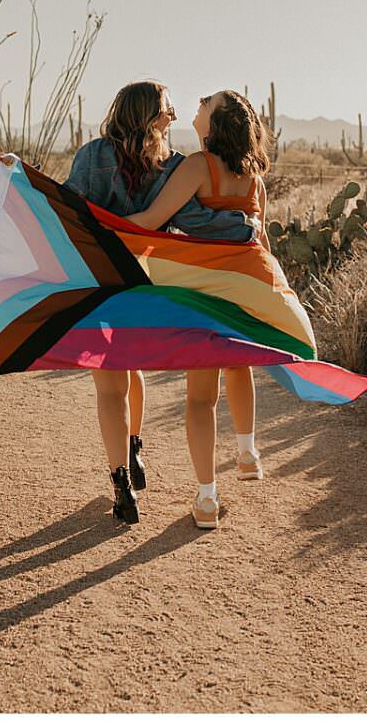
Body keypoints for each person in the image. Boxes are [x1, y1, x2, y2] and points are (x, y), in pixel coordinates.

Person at [62, 81, 255, 526]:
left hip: (97, 279)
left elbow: (68, 209)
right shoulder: (172, 167)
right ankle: (134, 449)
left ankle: (122, 485)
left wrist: (25, 180)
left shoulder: (91, 156)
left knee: (110, 385)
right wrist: (246, 225)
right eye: (168, 108)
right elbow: (195, 221)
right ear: (149, 115)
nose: (175, 115)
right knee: (131, 370)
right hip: (143, 283)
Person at [125, 90, 270, 529]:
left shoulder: (196, 167)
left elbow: (151, 220)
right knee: (240, 365)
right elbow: (262, 241)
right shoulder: (254, 178)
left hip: (205, 288)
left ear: (217, 122)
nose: (199, 102)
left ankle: (207, 499)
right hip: (245, 285)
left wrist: (94, 224)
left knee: (200, 399)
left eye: (208, 102)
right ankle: (247, 453)